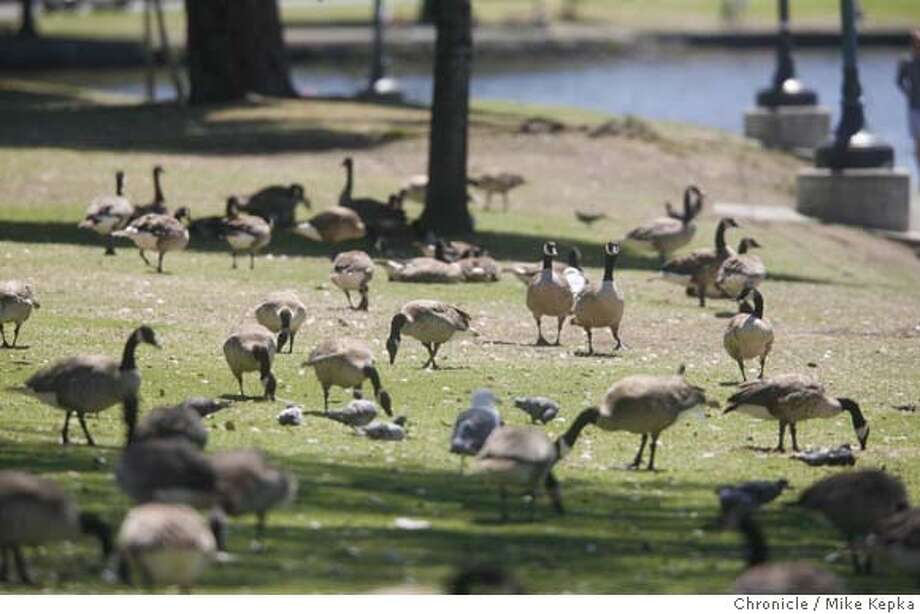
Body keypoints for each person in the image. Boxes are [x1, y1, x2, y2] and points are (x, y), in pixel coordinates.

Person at [897, 30, 920, 179]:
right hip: (914, 107)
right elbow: (899, 81)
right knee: (918, 143)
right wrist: (907, 93)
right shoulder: (906, 62)